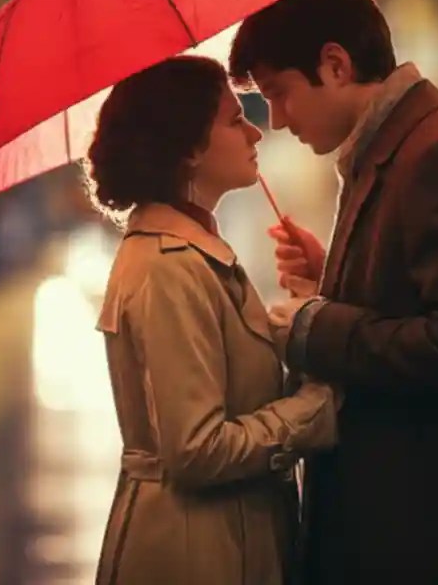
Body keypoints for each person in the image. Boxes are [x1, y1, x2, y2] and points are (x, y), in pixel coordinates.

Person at [230, 0, 438, 583]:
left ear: (335, 65)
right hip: (408, 513)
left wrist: (316, 326)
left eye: (280, 94)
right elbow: (412, 292)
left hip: (434, 524)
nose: (275, 121)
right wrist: (332, 273)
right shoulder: (390, 149)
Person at [86, 55, 338, 585]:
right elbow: (198, 451)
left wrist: (308, 303)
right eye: (233, 119)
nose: (255, 131)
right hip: (197, 552)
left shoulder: (197, 253)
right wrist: (311, 411)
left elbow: (240, 386)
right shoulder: (167, 268)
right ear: (189, 151)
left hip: (231, 542)